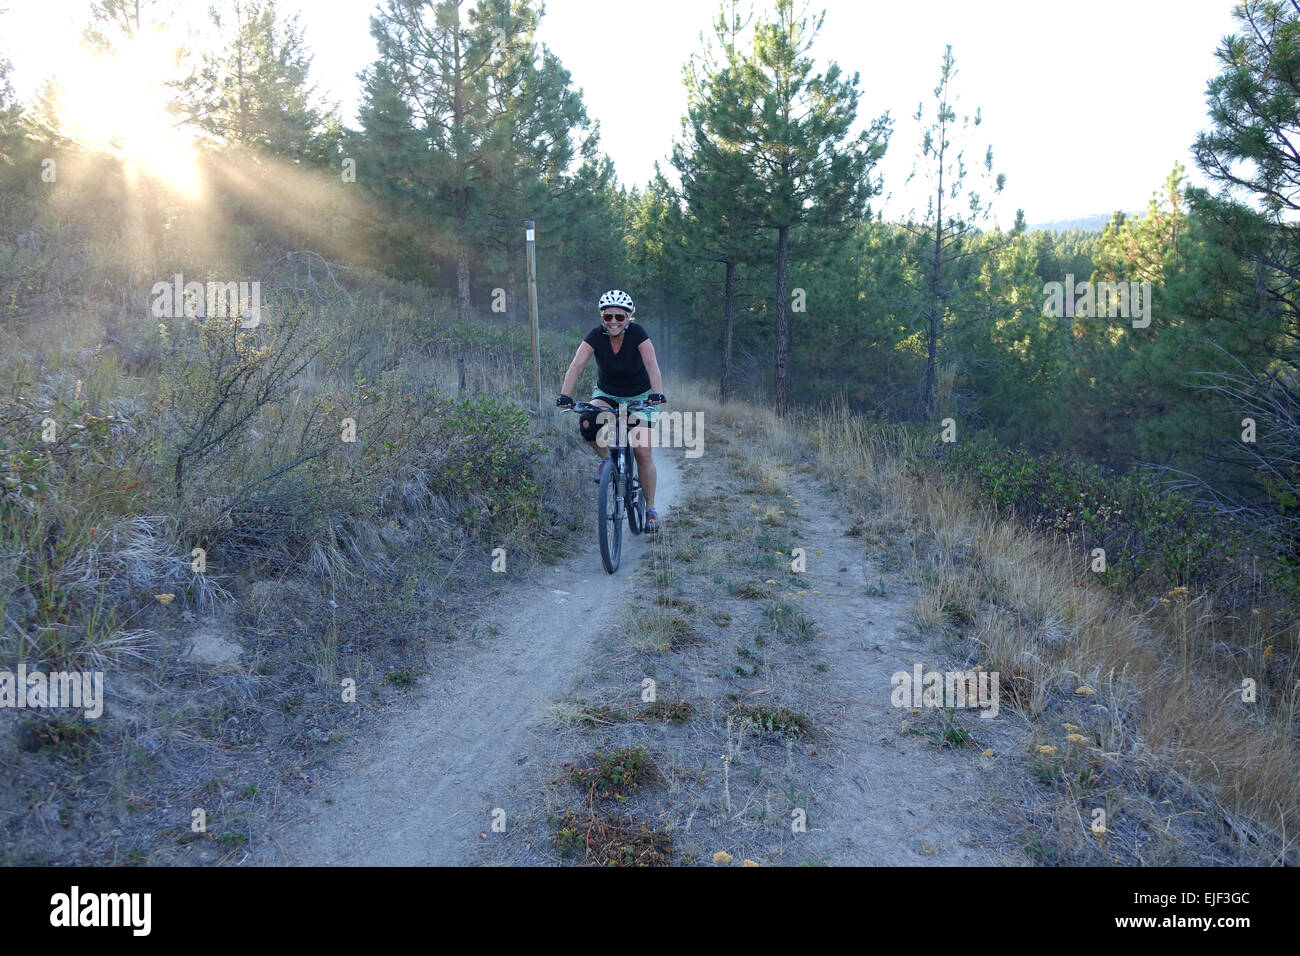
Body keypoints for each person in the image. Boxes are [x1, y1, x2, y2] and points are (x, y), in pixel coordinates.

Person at [556, 289, 666, 533]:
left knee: (643, 452)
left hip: (640, 397)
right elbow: (577, 365)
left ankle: (650, 509)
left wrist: (656, 394)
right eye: (608, 317)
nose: (614, 321)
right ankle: (607, 461)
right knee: (587, 423)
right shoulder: (595, 336)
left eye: (620, 316)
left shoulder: (638, 334)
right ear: (602, 318)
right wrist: (565, 396)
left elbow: (651, 364)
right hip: (607, 395)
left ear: (628, 318)